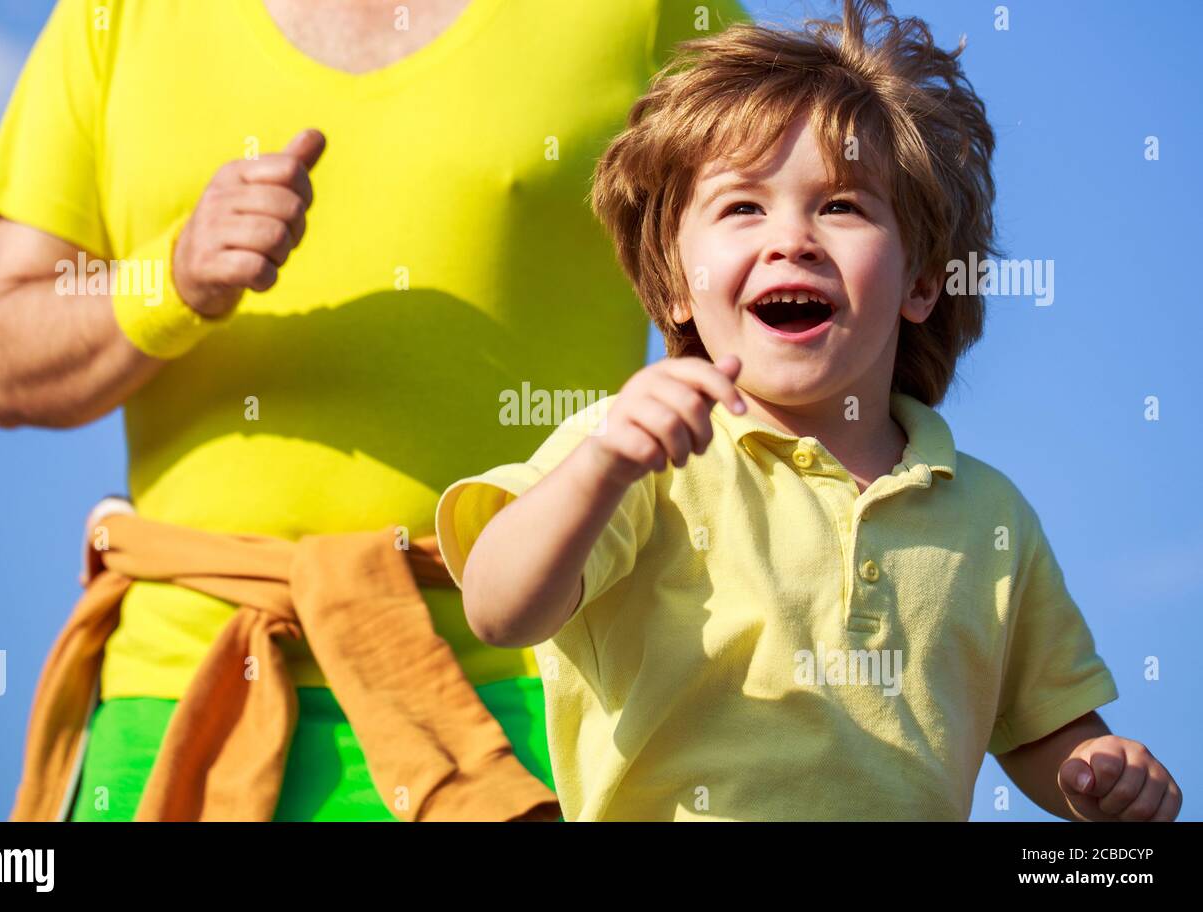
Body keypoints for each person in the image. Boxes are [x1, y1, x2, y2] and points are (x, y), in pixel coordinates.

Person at [0, 0, 751, 821]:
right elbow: (1, 361)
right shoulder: (114, 16)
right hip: (177, 708)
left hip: (529, 705)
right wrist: (173, 279)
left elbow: (784, 276)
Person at [435, 0, 1184, 821]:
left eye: (843, 206)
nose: (792, 238)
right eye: (742, 208)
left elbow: (1046, 727)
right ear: (678, 283)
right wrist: (605, 463)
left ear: (922, 283)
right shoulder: (635, 452)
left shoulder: (993, 516)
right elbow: (502, 608)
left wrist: (1099, 772)